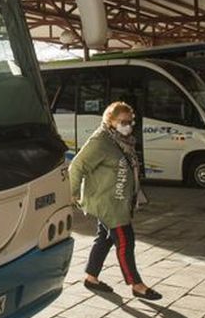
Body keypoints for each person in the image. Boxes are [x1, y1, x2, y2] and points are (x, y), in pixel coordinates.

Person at [68, 101, 161, 301]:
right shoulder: (100, 141)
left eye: (131, 121)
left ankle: (91, 277)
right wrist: (73, 193)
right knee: (125, 240)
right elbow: (76, 166)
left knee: (105, 237)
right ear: (110, 120)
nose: (128, 125)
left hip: (118, 199)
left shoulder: (122, 140)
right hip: (108, 202)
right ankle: (136, 284)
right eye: (123, 121)